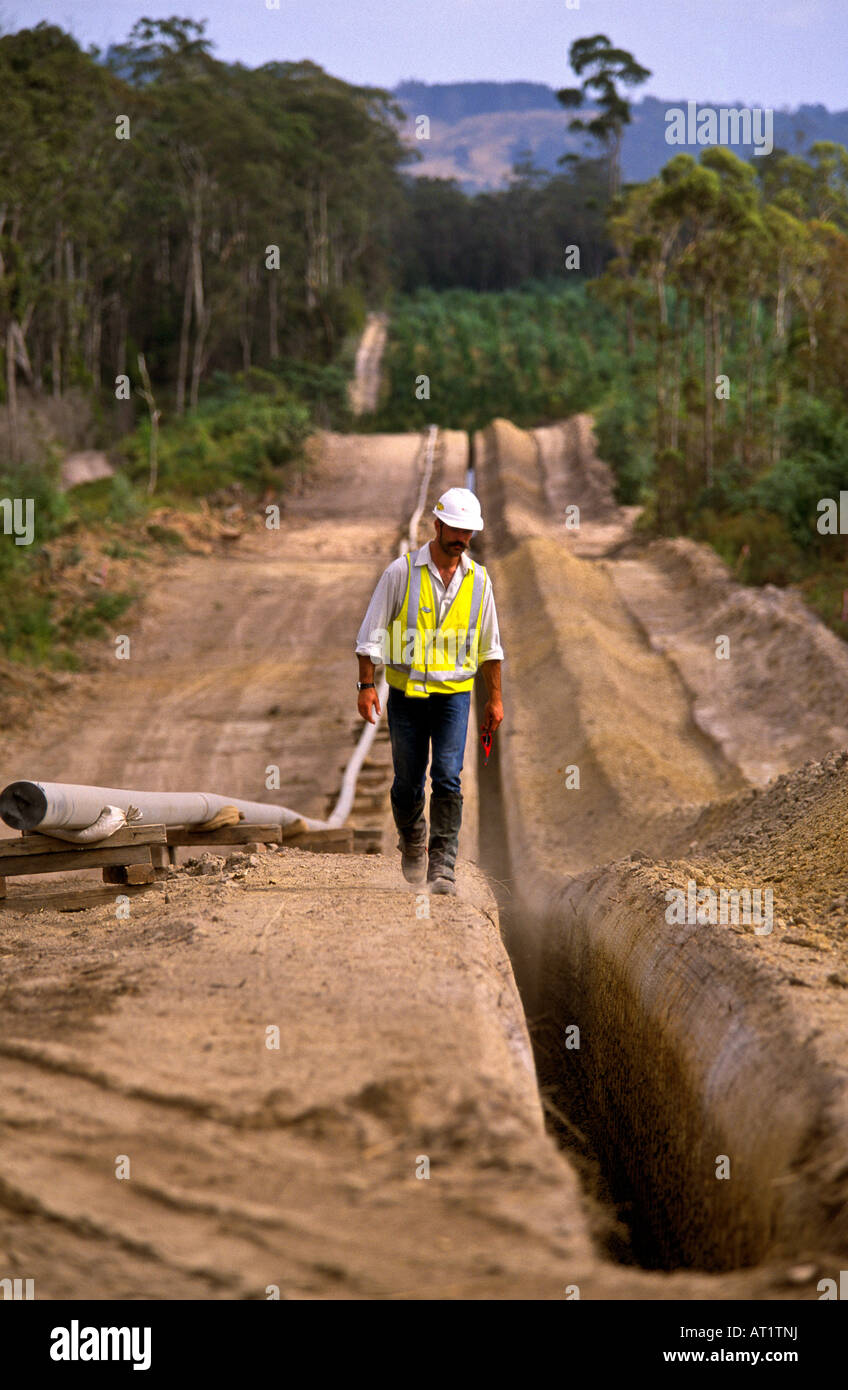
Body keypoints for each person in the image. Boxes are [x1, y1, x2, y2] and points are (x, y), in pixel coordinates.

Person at [354, 487, 504, 895]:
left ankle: (443, 864)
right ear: (437, 525)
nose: (461, 539)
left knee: (448, 778)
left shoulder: (479, 581)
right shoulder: (400, 573)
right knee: (407, 783)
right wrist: (367, 686)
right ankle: (413, 841)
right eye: (455, 529)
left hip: (455, 697)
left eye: (468, 533)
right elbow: (370, 635)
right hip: (406, 697)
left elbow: (491, 648)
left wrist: (494, 698)